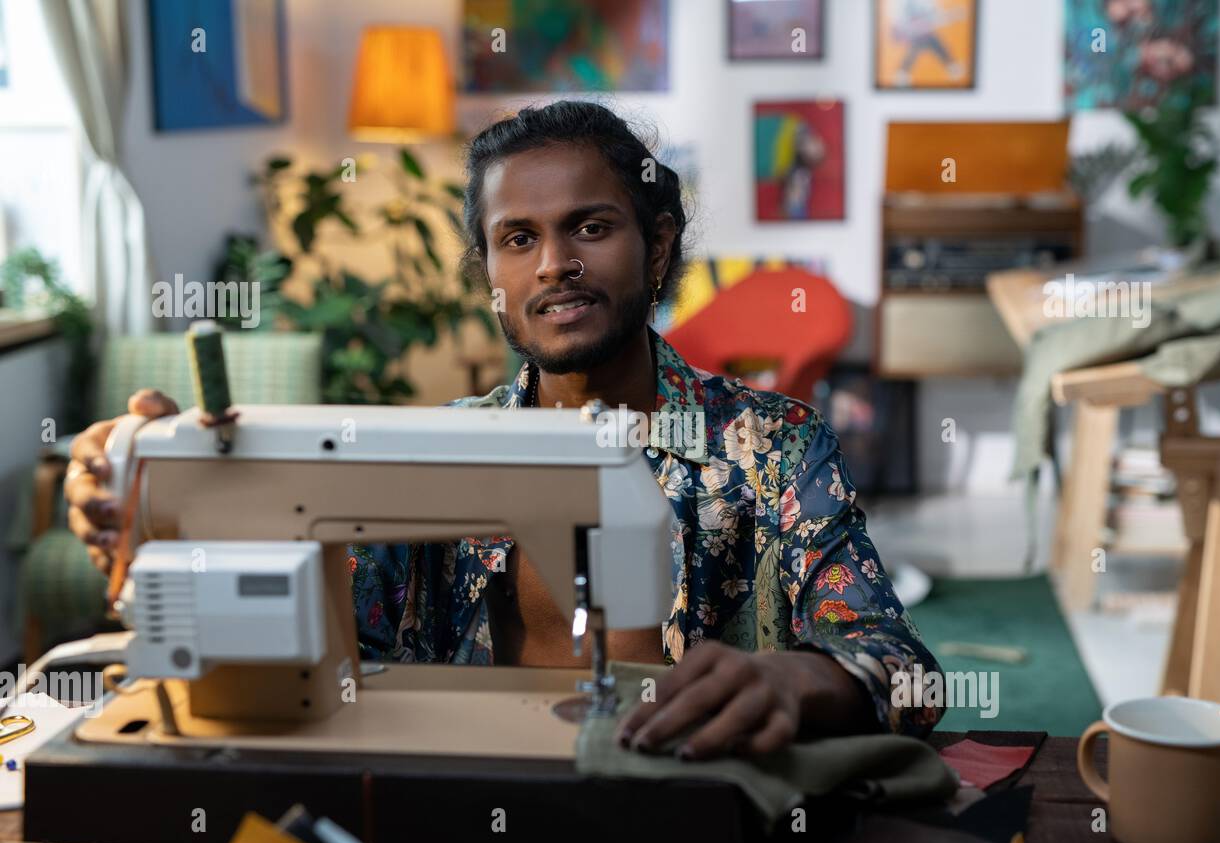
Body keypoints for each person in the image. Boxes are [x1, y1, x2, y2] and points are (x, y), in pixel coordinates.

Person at [64, 101, 944, 761]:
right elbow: (323, 650)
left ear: (659, 245)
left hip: (685, 806)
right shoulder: (429, 459)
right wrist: (170, 492)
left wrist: (793, 676)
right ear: (488, 273)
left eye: (590, 228)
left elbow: (907, 672)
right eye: (517, 239)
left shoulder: (773, 444)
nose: (554, 264)